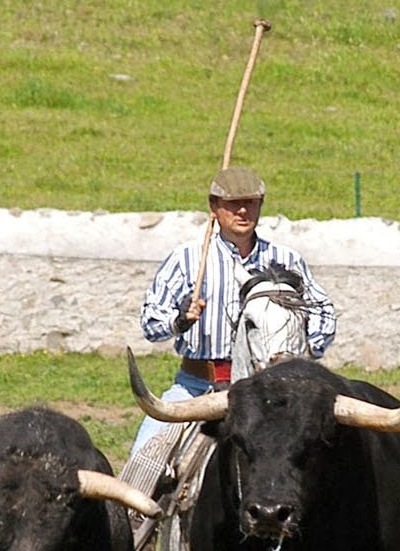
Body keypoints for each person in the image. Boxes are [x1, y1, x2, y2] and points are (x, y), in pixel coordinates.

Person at [130, 165, 337, 456]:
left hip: (272, 394)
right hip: (198, 387)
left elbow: (323, 314)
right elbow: (150, 322)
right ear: (214, 207)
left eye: (250, 203)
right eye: (233, 204)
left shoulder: (286, 260)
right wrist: (180, 320)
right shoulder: (187, 259)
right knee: (144, 458)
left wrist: (301, 354)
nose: (243, 211)